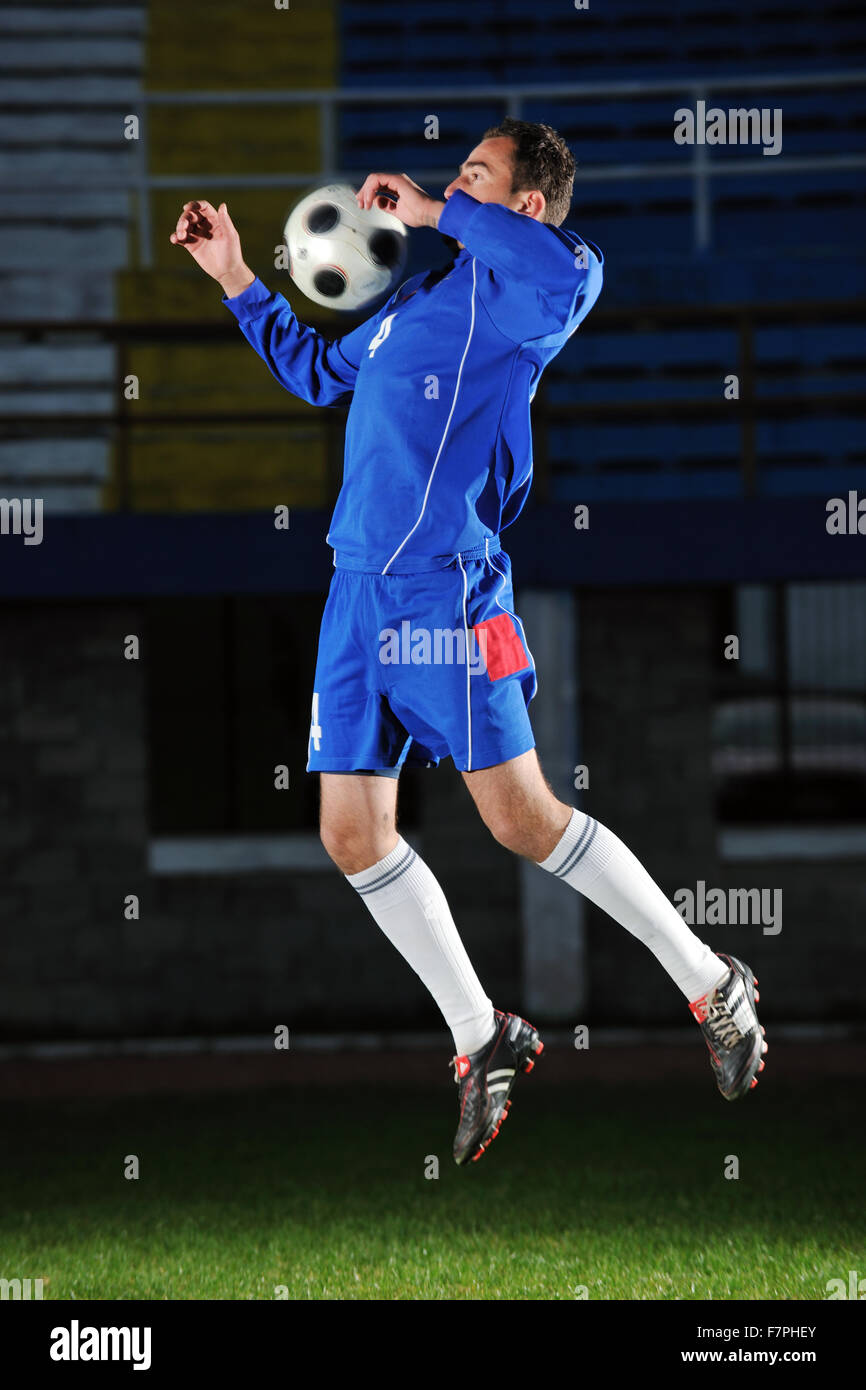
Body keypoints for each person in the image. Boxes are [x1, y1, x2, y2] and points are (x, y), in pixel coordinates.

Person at [171, 119, 767, 1167]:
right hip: (355, 592)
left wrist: (439, 211)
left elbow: (564, 264)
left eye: (474, 177)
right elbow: (317, 373)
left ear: (522, 203)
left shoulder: (535, 291)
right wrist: (232, 276)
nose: (449, 189)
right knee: (351, 834)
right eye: (453, 178)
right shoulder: (420, 303)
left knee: (519, 819)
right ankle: (480, 1033)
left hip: (446, 593)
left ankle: (712, 983)